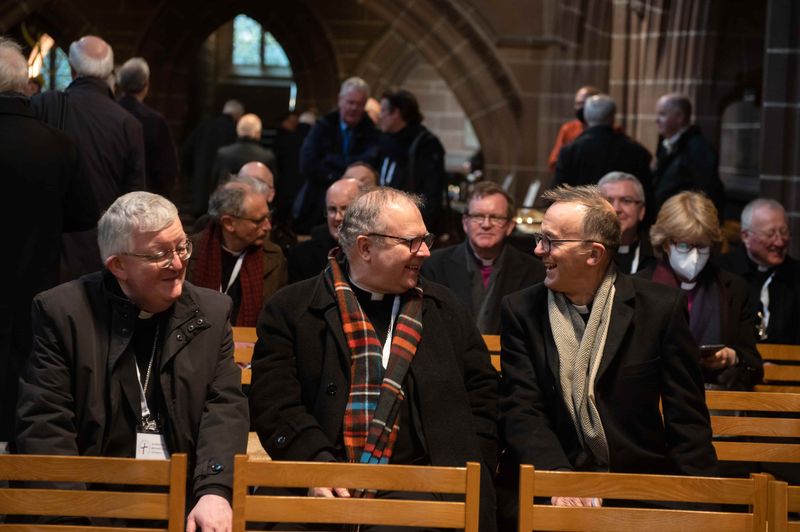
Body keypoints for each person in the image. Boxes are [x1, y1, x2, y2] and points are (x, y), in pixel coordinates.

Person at [250, 187, 498, 531]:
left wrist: (473, 464)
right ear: (365, 247)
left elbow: (484, 397)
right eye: (411, 242)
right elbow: (274, 402)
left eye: (424, 239)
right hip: (316, 478)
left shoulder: (445, 309)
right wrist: (314, 466)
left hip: (426, 487)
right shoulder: (291, 309)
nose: (425, 252)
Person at [15, 191, 249, 530]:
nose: (179, 263)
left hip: (185, 496)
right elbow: (45, 421)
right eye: (160, 254)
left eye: (182, 246)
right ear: (118, 265)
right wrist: (68, 513)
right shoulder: (63, 314)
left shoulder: (212, 313)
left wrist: (215, 490)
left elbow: (224, 408)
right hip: (91, 498)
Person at [497, 185, 717, 527]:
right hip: (549, 474)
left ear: (594, 254)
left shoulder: (659, 309)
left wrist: (701, 507)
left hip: (633, 482)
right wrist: (558, 480)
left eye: (551, 241)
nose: (539, 249)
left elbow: (686, 418)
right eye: (541, 237)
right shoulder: (520, 310)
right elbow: (521, 408)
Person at [0, 36, 97, 447]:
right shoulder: (58, 144)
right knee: (23, 390)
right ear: (25, 85)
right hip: (32, 284)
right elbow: (84, 216)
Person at [32, 34, 146, 281]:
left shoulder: (44, 105)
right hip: (103, 250)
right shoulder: (128, 124)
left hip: (46, 243)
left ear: (72, 69)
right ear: (109, 72)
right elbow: (134, 198)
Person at [641, 191, 762, 390]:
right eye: (684, 245)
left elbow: (753, 364)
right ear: (665, 243)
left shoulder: (733, 289)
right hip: (655, 400)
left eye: (702, 246)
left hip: (717, 401)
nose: (695, 256)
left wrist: (732, 357)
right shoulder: (640, 287)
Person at [421, 181, 544, 333]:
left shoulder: (534, 272)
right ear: (465, 223)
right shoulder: (433, 266)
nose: (486, 224)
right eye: (478, 216)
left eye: (495, 217)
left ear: (510, 226)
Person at [189, 179, 287, 326]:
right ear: (229, 223)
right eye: (258, 221)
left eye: (268, 216)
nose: (268, 226)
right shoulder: (188, 252)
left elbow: (278, 314)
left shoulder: (274, 257)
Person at [295, 77, 380, 233]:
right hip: (318, 201)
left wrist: (330, 160)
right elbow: (307, 164)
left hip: (355, 207)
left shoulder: (371, 131)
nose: (354, 108)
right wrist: (341, 176)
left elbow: (369, 162)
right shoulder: (323, 126)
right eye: (350, 102)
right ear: (340, 100)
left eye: (359, 104)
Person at [717, 199, 800, 344]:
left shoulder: (796, 274)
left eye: (784, 232)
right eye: (770, 234)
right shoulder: (722, 271)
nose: (779, 242)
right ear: (745, 236)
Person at [552, 94, 652, 199]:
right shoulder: (636, 151)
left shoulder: (570, 151)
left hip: (581, 212)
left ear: (585, 116)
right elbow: (646, 195)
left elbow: (556, 194)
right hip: (622, 213)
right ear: (613, 117)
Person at [377, 88, 447, 231]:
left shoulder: (425, 144)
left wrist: (419, 230)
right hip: (386, 221)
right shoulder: (386, 140)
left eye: (383, 110)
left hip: (411, 225)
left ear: (396, 113)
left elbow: (430, 194)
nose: (379, 116)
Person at [117, 57, 179, 198]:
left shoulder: (107, 113)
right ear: (146, 84)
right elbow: (168, 170)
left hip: (110, 197)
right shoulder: (155, 121)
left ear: (120, 83)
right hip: (143, 198)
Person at [653, 93, 725, 215]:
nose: (657, 120)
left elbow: (706, 191)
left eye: (662, 114)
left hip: (683, 220)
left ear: (679, 117)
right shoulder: (666, 144)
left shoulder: (698, 148)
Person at [286, 177, 363, 283]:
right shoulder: (301, 257)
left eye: (345, 208)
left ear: (364, 212)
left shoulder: (377, 253)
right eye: (332, 209)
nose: (337, 217)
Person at [182, 99, 244, 217]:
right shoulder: (234, 132)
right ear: (238, 116)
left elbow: (186, 150)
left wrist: (192, 175)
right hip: (222, 191)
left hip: (199, 187)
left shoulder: (205, 126)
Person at [598, 172, 656, 273]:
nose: (616, 209)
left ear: (641, 211)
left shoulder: (657, 255)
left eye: (626, 200)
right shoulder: (584, 253)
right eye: (608, 201)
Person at [211, 113, 276, 188]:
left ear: (238, 130)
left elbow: (214, 183)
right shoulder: (267, 157)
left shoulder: (223, 153)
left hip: (228, 198)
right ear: (258, 132)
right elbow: (271, 185)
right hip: (256, 198)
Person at [547, 86, 599, 171]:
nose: (579, 108)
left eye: (582, 103)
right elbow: (554, 161)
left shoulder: (611, 130)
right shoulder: (569, 129)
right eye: (577, 104)